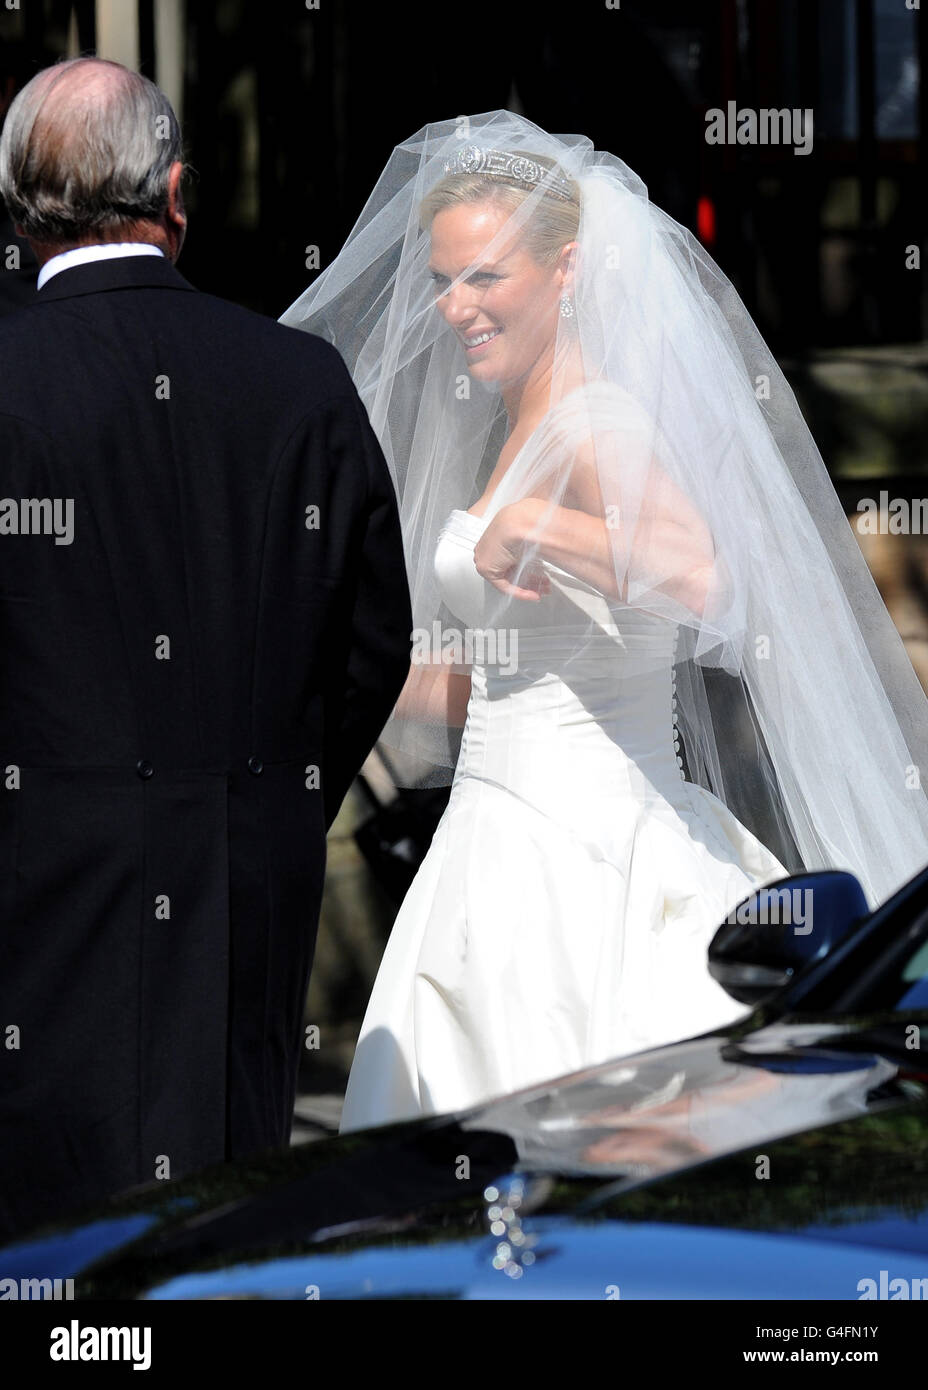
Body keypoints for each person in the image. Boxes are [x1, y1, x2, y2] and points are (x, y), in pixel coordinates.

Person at [279, 112, 928, 1132]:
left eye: (484, 277)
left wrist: (539, 523)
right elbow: (504, 680)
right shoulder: (525, 421)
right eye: (445, 279)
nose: (455, 307)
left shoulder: (599, 423)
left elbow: (709, 581)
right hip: (491, 836)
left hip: (590, 853)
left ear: (567, 269)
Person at [0, 57, 411, 1240]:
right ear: (176, 193)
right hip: (241, 880)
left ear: (21, 211)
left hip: (42, 884)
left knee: (52, 1236)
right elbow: (372, 634)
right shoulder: (299, 379)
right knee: (223, 1223)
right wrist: (269, 794)